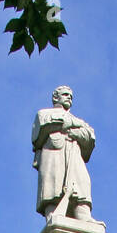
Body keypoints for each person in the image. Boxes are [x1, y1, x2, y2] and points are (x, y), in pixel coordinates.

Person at [32, 86, 95, 221]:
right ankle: (52, 215)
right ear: (56, 97)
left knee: (82, 183)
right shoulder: (44, 113)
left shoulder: (76, 119)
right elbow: (45, 126)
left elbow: (90, 136)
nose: (69, 98)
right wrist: (76, 125)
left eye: (71, 96)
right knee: (53, 185)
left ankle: (83, 214)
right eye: (66, 95)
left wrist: (71, 129)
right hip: (53, 153)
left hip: (74, 153)